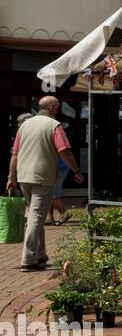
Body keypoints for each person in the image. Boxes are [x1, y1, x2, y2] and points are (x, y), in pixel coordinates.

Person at [7, 97, 83, 271]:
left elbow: (15, 155)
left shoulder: (24, 125)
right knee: (35, 217)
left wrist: (11, 177)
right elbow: (64, 151)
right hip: (43, 176)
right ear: (50, 108)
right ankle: (27, 258)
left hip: (24, 176)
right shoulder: (54, 126)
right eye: (57, 107)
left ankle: (39, 255)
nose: (58, 110)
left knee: (37, 215)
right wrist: (76, 171)